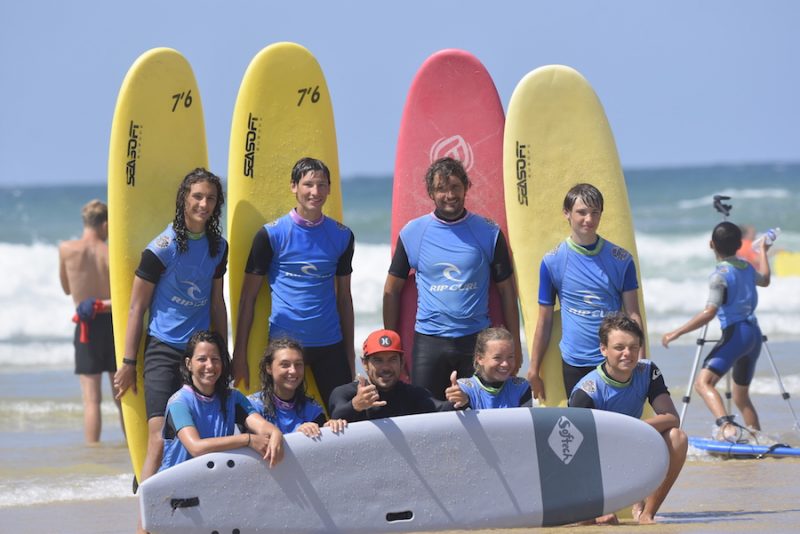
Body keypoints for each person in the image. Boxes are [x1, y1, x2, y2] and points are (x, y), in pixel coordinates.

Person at [113, 168, 229, 483]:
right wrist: (128, 362)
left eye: (211, 198)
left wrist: (225, 355)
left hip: (201, 354)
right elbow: (138, 306)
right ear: (183, 199)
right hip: (163, 349)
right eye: (197, 196)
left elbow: (217, 303)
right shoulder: (161, 248)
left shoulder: (218, 247)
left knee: (198, 432)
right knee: (159, 435)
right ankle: (145, 515)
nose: (204, 204)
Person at [383, 157, 521, 400]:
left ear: (467, 186)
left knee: (479, 413)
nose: (449, 194)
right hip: (429, 341)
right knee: (426, 415)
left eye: (455, 186)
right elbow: (392, 291)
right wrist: (393, 347)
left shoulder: (489, 232)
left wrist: (516, 346)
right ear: (430, 192)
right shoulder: (414, 232)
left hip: (476, 340)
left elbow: (507, 292)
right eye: (441, 188)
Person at [233, 157, 355, 412]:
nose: (315, 192)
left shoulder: (342, 236)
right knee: (280, 420)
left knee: (347, 415)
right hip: (283, 347)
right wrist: (239, 355)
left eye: (322, 185)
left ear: (330, 189)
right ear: (294, 186)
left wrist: (349, 354)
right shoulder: (271, 235)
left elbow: (344, 298)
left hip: (329, 343)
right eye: (308, 184)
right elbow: (248, 299)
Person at [527, 183, 643, 403]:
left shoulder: (621, 260)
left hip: (614, 359)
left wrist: (642, 361)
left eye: (595, 212)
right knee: (583, 430)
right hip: (575, 361)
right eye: (581, 212)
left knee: (615, 429)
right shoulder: (552, 261)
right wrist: (534, 369)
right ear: (567, 213)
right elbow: (545, 320)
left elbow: (633, 314)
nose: (589, 219)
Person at [569, 314, 687, 525]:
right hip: (598, 461)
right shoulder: (586, 391)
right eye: (619, 347)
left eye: (634, 347)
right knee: (602, 521)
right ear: (603, 349)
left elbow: (672, 418)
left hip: (632, 448)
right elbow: (575, 450)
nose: (628, 354)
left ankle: (646, 514)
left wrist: (632, 430)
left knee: (677, 438)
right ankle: (595, 510)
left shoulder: (647, 371)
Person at [662, 221, 771, 440]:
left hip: (736, 336)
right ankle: (758, 439)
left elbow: (709, 312)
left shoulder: (719, 276)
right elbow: (766, 280)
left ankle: (726, 426)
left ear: (711, 244)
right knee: (741, 398)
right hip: (754, 336)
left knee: (703, 383)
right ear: (740, 245)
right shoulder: (747, 267)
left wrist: (677, 332)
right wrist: (763, 252)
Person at [160, 330, 283, 471]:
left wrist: (274, 432)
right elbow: (196, 448)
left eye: (215, 359)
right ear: (189, 364)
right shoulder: (179, 403)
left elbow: (260, 425)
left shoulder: (233, 398)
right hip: (177, 485)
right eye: (202, 359)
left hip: (215, 482)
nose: (210, 366)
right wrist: (247, 440)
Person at [58, 199, 122, 444]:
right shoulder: (111, 251)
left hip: (86, 325)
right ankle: (132, 451)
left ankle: (93, 453)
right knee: (121, 398)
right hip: (113, 326)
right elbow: (125, 295)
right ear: (105, 225)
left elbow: (66, 288)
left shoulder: (66, 249)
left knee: (91, 400)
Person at [328, 329, 457, 421]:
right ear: (365, 364)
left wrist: (460, 400)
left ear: (402, 362)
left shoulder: (413, 395)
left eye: (392, 359)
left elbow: (442, 410)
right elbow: (335, 416)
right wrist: (355, 405)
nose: (386, 367)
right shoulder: (344, 394)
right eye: (378, 360)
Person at [248, 338, 347, 437]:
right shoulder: (252, 406)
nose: (293, 371)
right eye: (285, 365)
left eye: (298, 364)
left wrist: (330, 429)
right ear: (269, 368)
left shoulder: (312, 409)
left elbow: (323, 447)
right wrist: (296, 436)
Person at [445, 327, 532, 409]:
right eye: (497, 358)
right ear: (480, 359)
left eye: (510, 357)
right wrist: (463, 403)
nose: (505, 364)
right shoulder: (464, 389)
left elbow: (527, 423)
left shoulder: (521, 388)